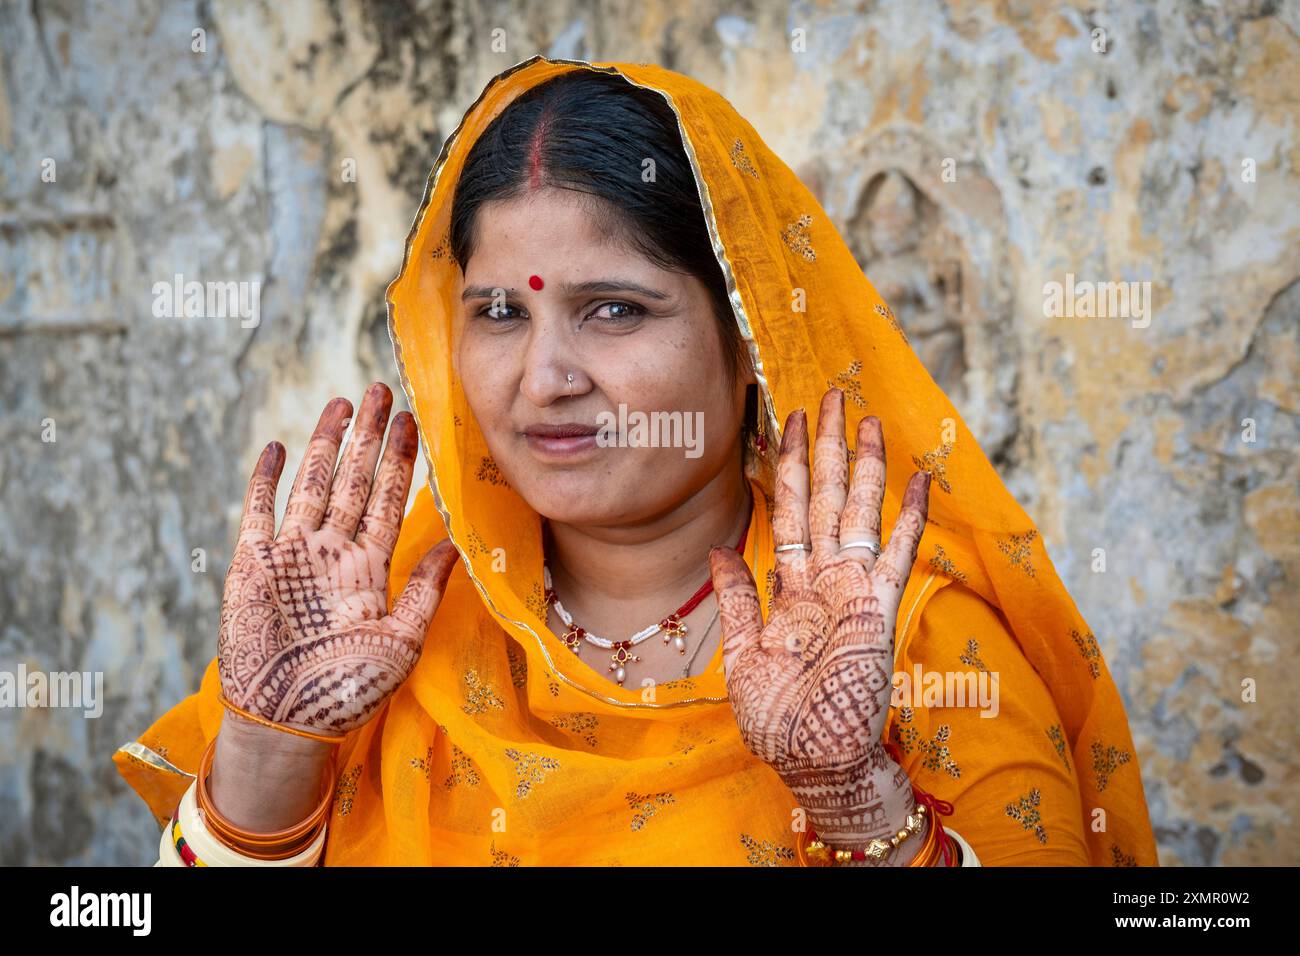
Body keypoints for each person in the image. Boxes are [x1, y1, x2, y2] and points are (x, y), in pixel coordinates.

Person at [115, 55, 1158, 867]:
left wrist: (858, 800)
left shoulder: (908, 645)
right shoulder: (365, 634)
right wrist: (268, 754)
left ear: (748, 339)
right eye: (497, 312)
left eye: (613, 308)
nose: (544, 376)